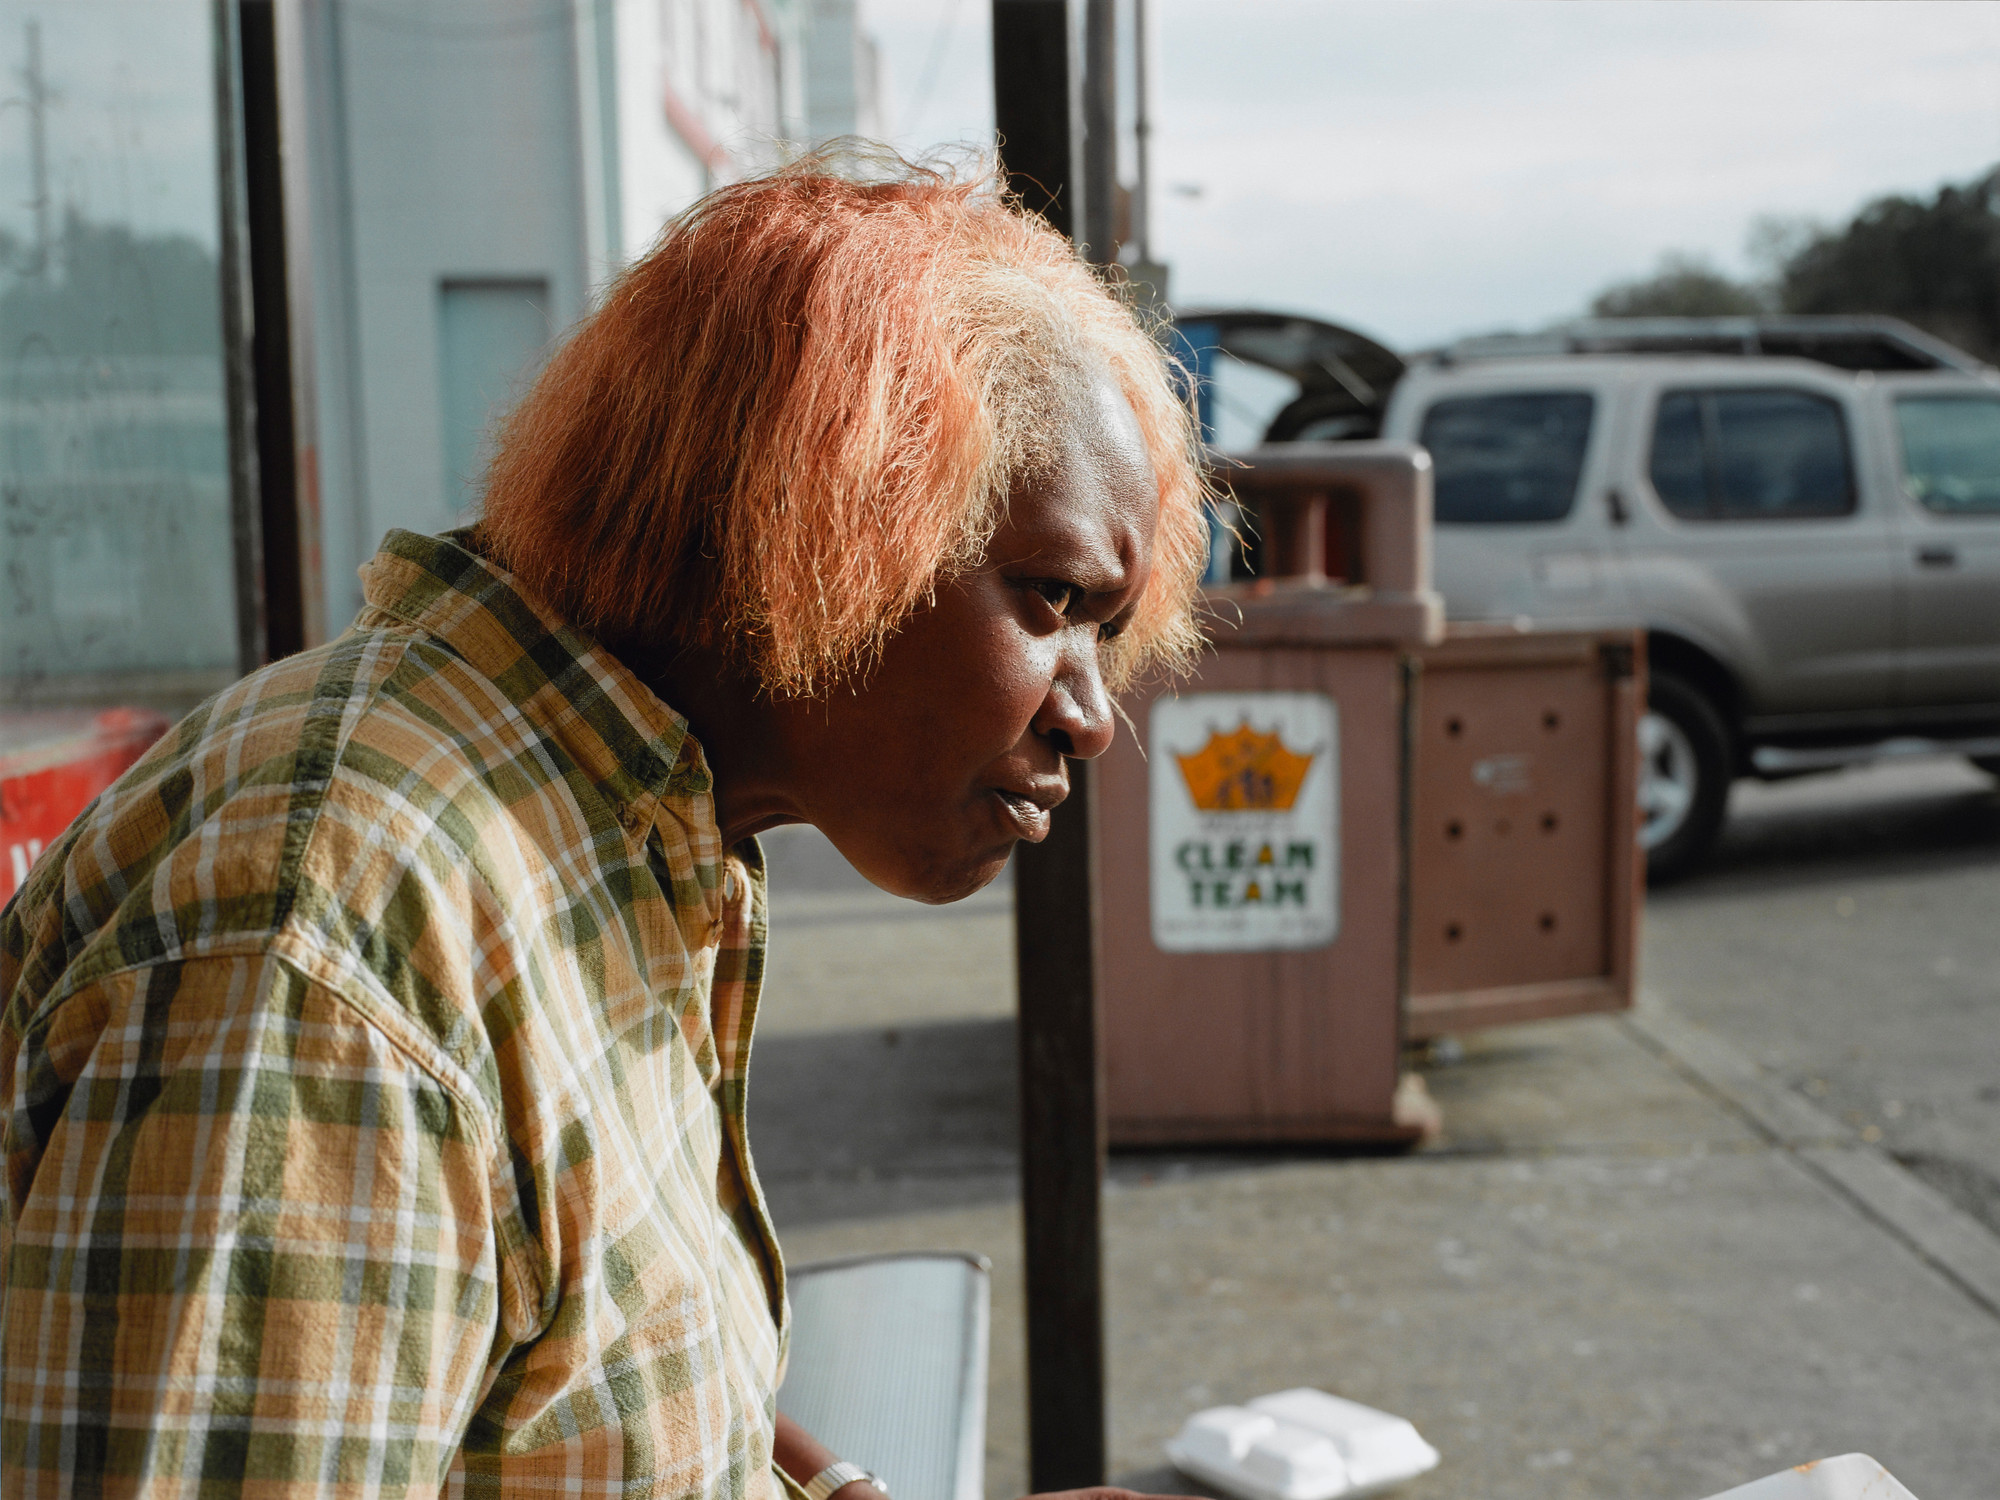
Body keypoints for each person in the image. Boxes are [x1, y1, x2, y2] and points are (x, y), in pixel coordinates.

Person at [0, 154, 1208, 1498]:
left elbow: (597, 1397)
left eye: (1108, 632)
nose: (1092, 717)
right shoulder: (340, 937)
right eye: (1054, 598)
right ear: (819, 514)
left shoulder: (626, 829)